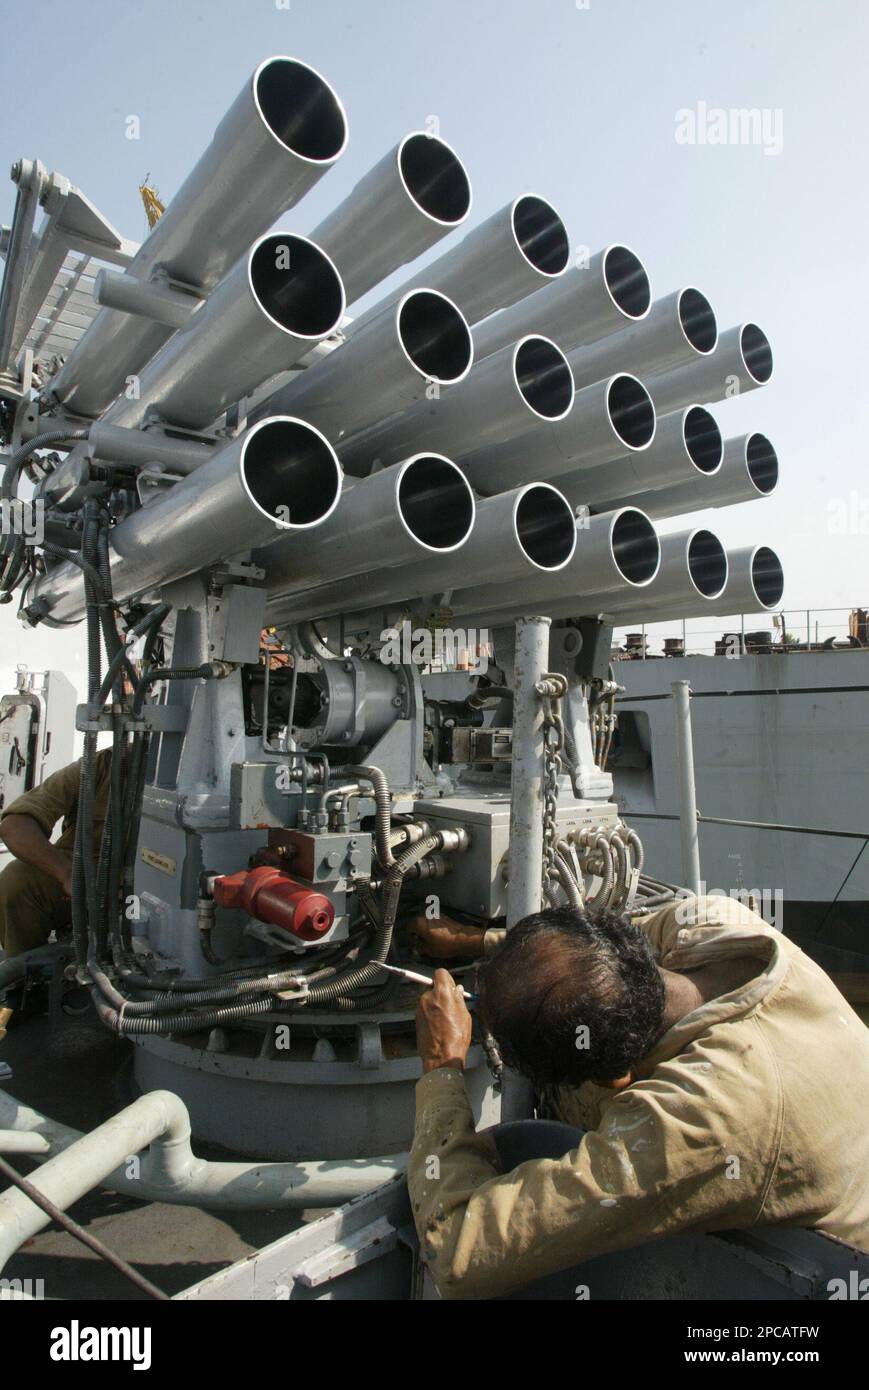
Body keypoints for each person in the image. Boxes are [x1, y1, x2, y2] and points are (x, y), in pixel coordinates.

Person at [408, 895, 869, 1299]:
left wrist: (441, 1066)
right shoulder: (711, 922)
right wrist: (479, 942)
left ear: (614, 1079)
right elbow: (589, 962)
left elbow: (456, 1252)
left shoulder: (700, 1117)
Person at [0, 750, 112, 957]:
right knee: (18, 879)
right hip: (92, 884)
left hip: (163, 900)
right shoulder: (102, 765)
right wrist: (67, 874)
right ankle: (26, 979)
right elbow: (15, 827)